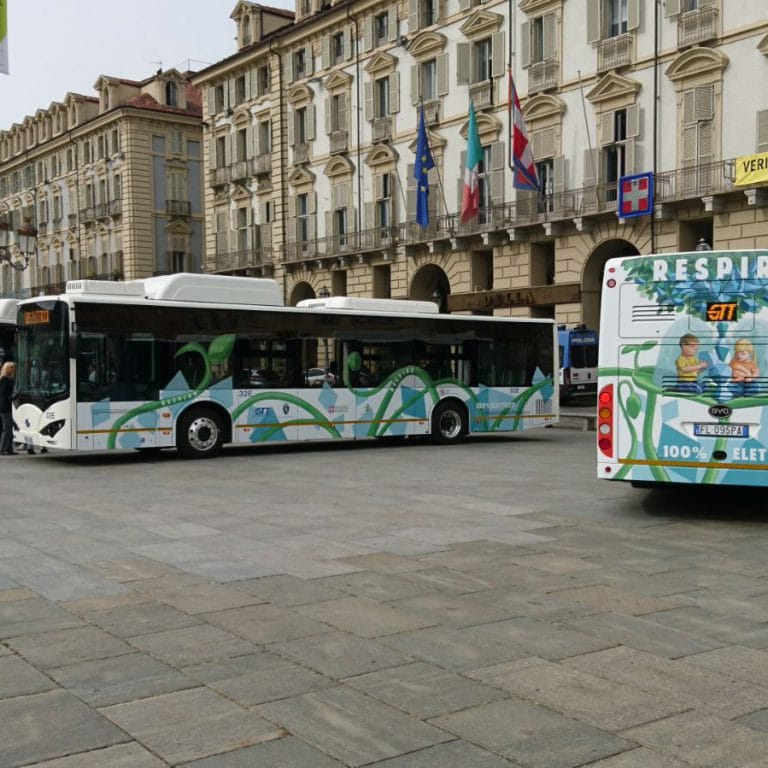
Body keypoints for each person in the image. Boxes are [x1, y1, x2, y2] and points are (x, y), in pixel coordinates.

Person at [0, 361, 17, 455]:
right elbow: (4, 395)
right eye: (11, 367)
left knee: (9, 428)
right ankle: (3, 449)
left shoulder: (6, 379)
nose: (13, 369)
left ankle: (9, 449)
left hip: (6, 406)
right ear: (7, 369)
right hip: (5, 407)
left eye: (13, 367)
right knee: (7, 428)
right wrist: (14, 396)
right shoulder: (5, 379)